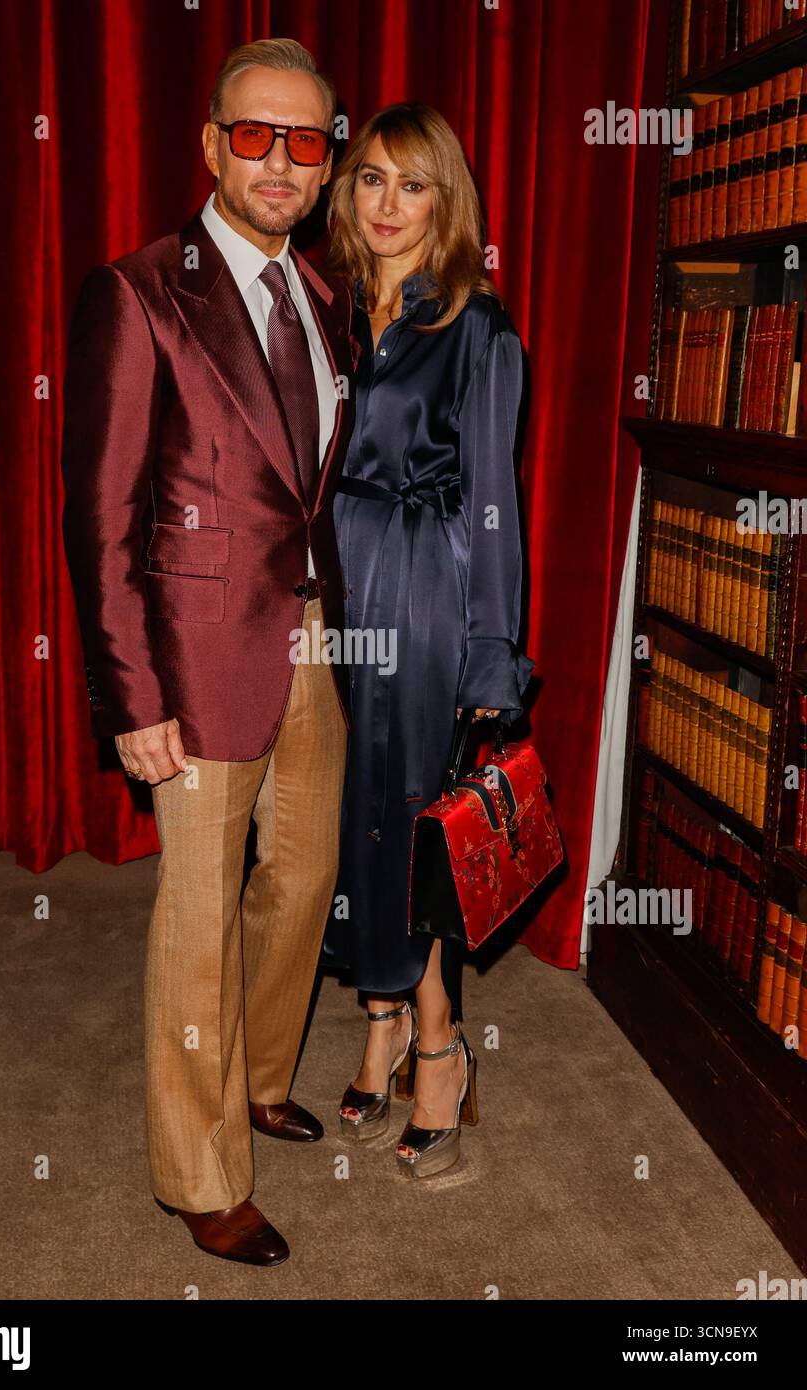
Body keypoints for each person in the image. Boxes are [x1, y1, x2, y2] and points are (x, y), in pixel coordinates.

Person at [60, 38, 355, 1266]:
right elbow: (100, 512)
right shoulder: (137, 293)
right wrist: (130, 693)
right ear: (211, 146)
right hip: (189, 658)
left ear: (326, 161)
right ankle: (198, 1173)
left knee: (298, 880)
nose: (279, 161)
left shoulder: (329, 298)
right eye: (256, 134)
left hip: (315, 640)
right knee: (197, 916)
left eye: (305, 141)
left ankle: (262, 1075)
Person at [322, 102, 535, 1178]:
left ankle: (438, 1043)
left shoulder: (478, 330)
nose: (388, 204)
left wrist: (491, 648)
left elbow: (493, 499)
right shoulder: (322, 311)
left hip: (417, 593)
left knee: (409, 828)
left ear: (446, 204)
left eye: (413, 185)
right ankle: (379, 1017)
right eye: (370, 179)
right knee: (338, 813)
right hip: (324, 594)